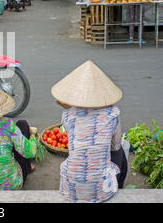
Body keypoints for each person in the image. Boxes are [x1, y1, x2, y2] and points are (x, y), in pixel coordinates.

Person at [51, 60, 128, 203]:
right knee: (120, 151)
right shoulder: (112, 113)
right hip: (103, 191)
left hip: (71, 187)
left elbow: (75, 142)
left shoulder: (67, 115)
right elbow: (115, 146)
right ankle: (119, 185)